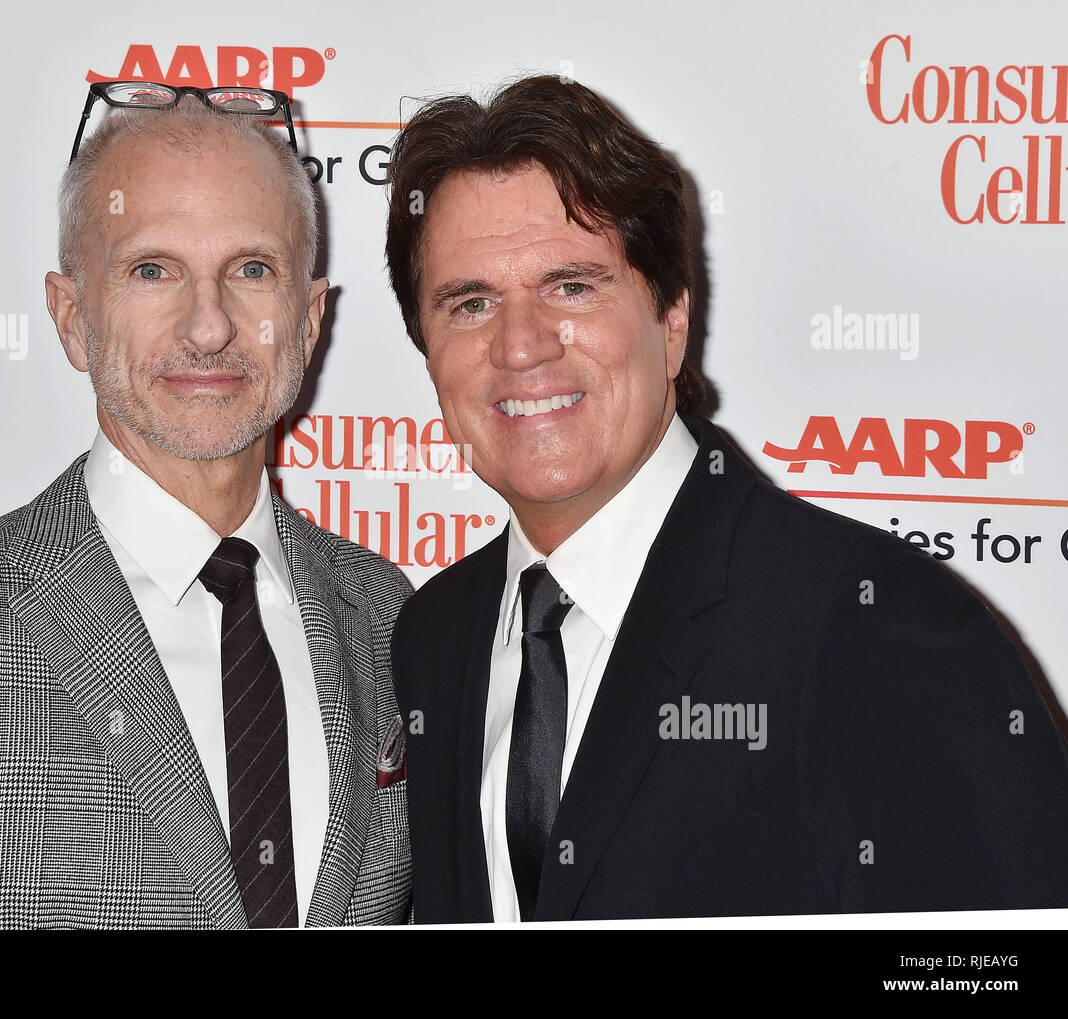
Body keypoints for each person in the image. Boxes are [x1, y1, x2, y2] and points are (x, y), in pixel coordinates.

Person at [384, 73, 1068, 922]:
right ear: (428, 353)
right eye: (471, 301)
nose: (520, 346)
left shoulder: (883, 629)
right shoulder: (433, 636)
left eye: (572, 286)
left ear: (671, 317)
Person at [0, 84, 411, 929]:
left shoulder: (384, 614)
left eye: (252, 270)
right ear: (73, 318)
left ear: (309, 319)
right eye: (153, 270)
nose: (209, 325)